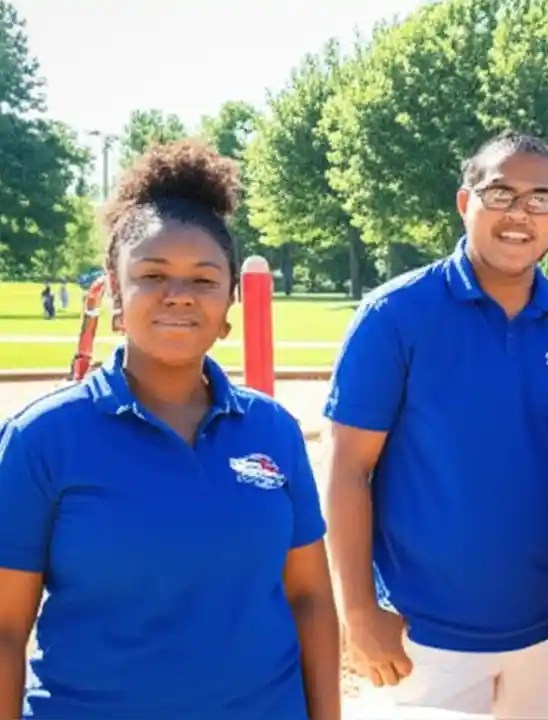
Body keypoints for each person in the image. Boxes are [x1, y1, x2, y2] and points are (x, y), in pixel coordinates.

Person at [0, 140, 339, 720]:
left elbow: (308, 598)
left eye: (203, 280)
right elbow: (6, 629)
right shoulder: (42, 439)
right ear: (113, 294)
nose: (178, 294)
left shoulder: (273, 431)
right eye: (152, 274)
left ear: (229, 302)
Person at [324, 131, 548, 718]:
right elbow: (346, 471)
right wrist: (357, 612)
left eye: (540, 199)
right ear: (465, 203)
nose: (520, 214)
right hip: (421, 637)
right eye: (501, 193)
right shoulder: (396, 315)